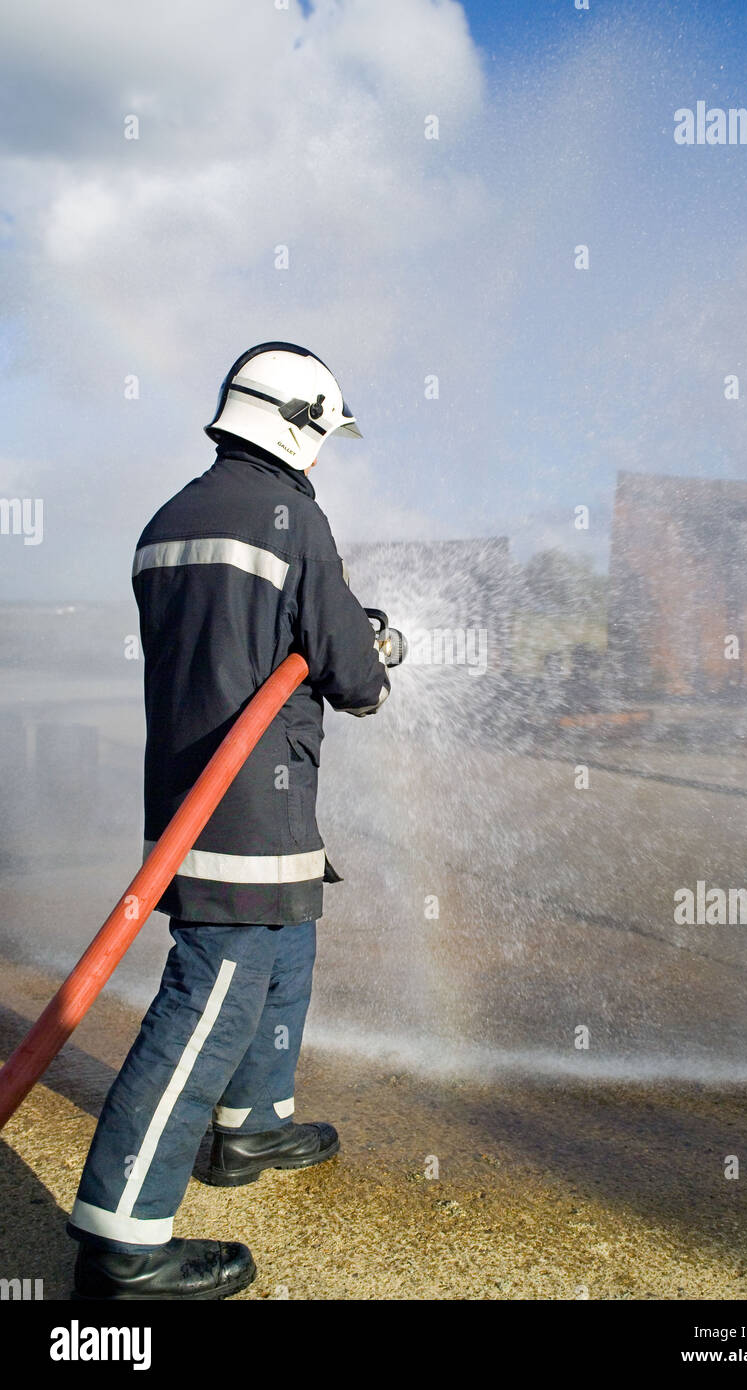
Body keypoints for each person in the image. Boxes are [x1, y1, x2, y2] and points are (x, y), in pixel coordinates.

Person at [68, 343, 393, 1300]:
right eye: (323, 435)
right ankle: (124, 1237)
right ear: (294, 424)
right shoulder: (296, 520)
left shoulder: (171, 516)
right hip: (249, 807)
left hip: (198, 797)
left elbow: (231, 640)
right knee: (205, 1005)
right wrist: (375, 644)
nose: (324, 456)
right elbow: (355, 680)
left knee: (287, 945)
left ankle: (254, 1122)